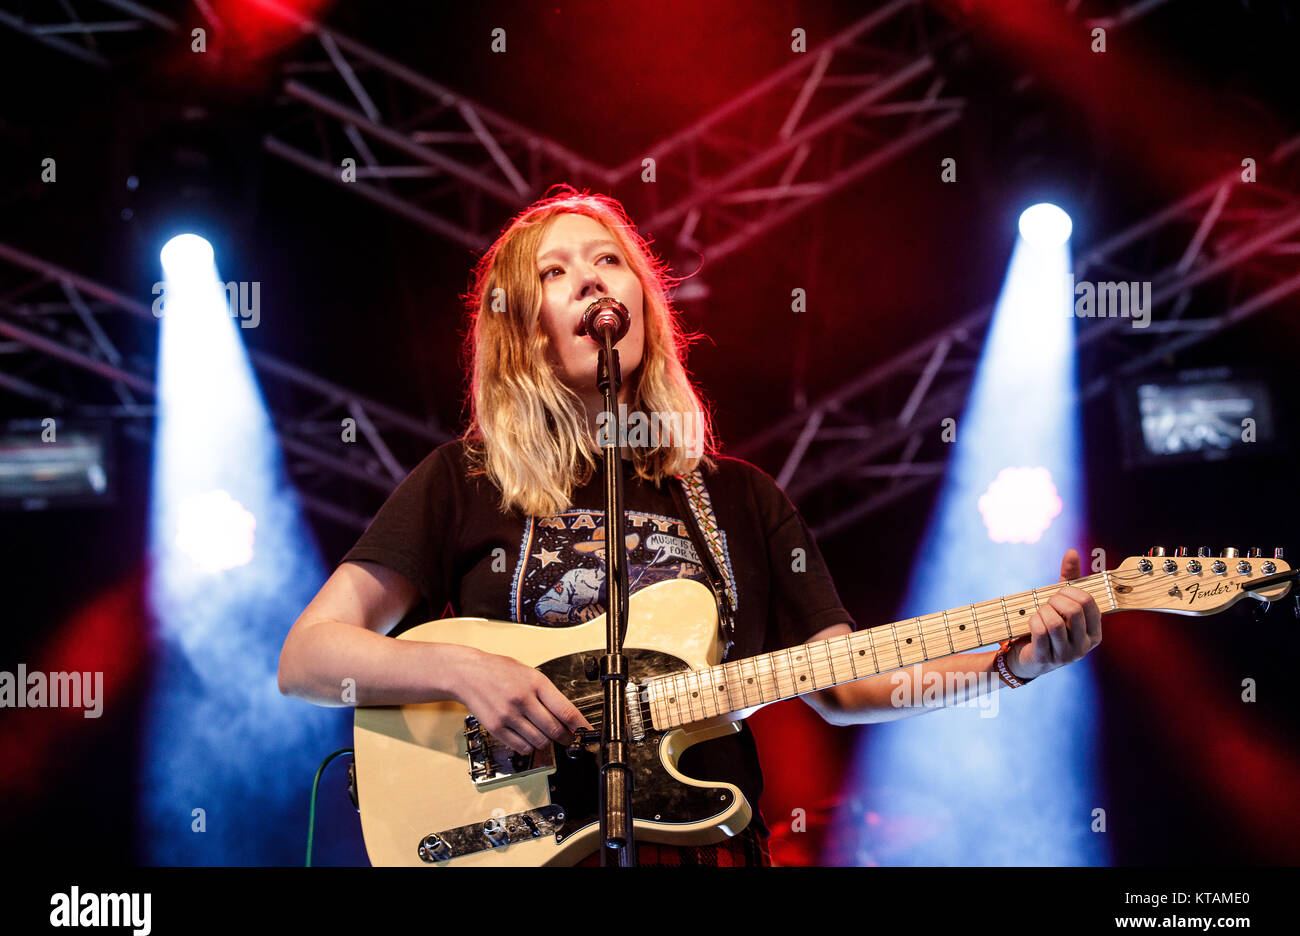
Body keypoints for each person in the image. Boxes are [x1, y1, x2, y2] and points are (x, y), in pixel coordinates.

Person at [276, 185, 1104, 867]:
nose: (597, 282)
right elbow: (309, 657)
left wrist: (1012, 665)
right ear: (523, 330)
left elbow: (846, 686)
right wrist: (465, 672)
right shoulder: (463, 481)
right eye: (559, 273)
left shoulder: (740, 498)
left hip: (701, 851)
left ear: (644, 301)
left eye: (611, 262)